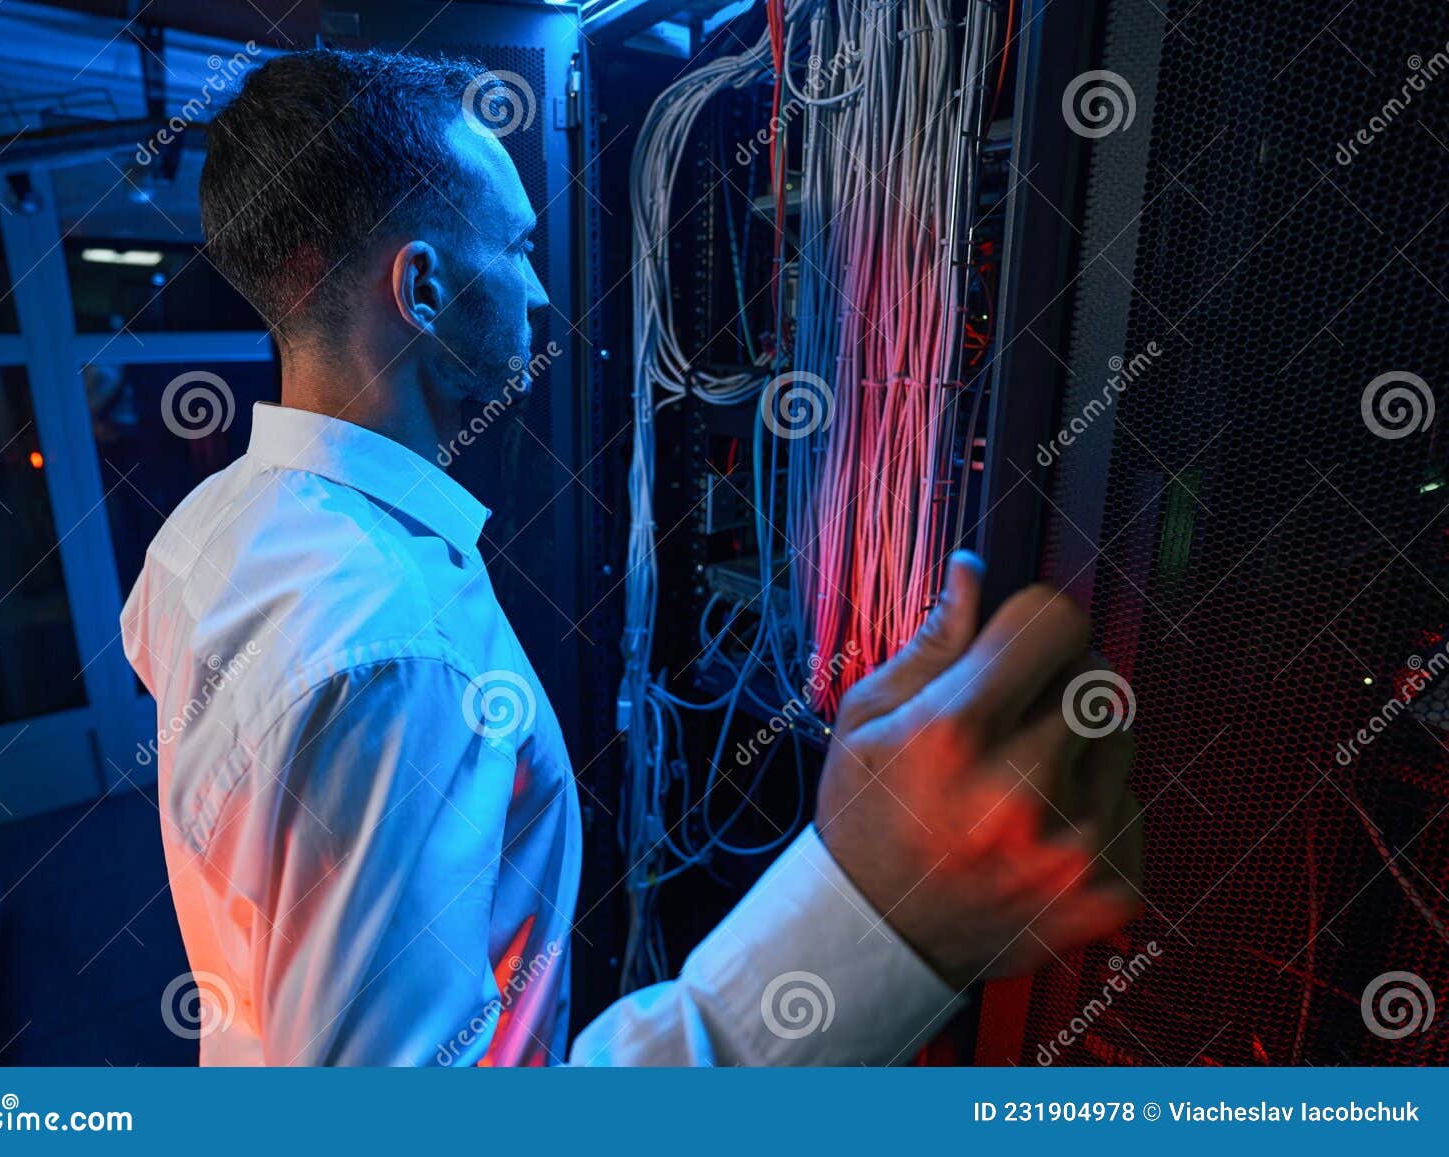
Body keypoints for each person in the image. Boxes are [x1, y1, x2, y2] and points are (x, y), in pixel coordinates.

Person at [120, 48, 1143, 1066]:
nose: (538, 292)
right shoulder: (394, 648)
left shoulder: (208, 534)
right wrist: (876, 912)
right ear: (421, 287)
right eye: (516, 247)